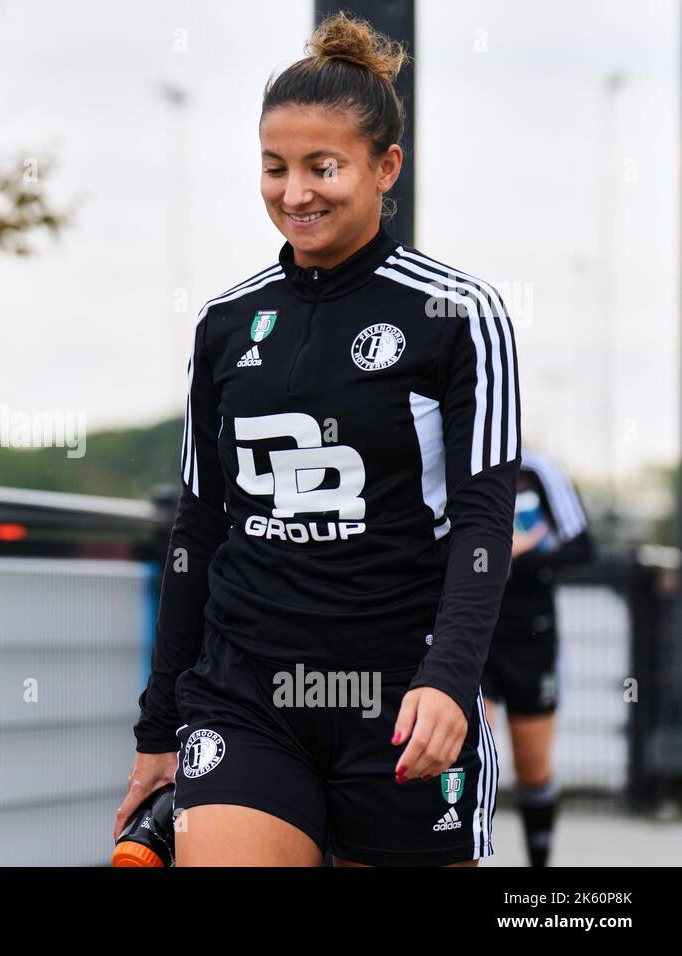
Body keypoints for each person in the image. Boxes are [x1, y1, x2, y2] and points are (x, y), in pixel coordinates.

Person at [116, 12, 519, 866]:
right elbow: (197, 531)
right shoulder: (226, 323)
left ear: (385, 168)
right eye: (274, 167)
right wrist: (158, 726)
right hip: (244, 696)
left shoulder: (459, 314)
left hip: (399, 702)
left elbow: (485, 524)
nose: (294, 192)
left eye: (322, 167)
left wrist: (450, 680)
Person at [482, 447, 593, 866]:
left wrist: (523, 552)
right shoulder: (454, 462)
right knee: (468, 757)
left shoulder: (538, 469)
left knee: (533, 771)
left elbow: (583, 547)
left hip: (532, 639)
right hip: (474, 636)